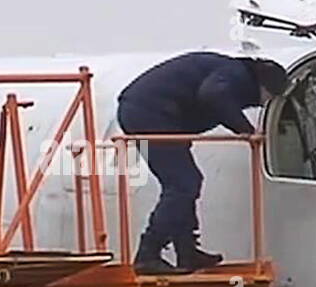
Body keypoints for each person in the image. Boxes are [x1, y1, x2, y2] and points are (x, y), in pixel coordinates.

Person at [117, 52, 288, 275]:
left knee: (185, 182)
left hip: (154, 114)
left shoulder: (230, 71)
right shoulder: (236, 75)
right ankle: (148, 254)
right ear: (264, 87)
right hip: (150, 113)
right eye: (270, 97)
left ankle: (186, 250)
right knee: (183, 184)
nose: (265, 103)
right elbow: (212, 94)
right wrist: (246, 131)